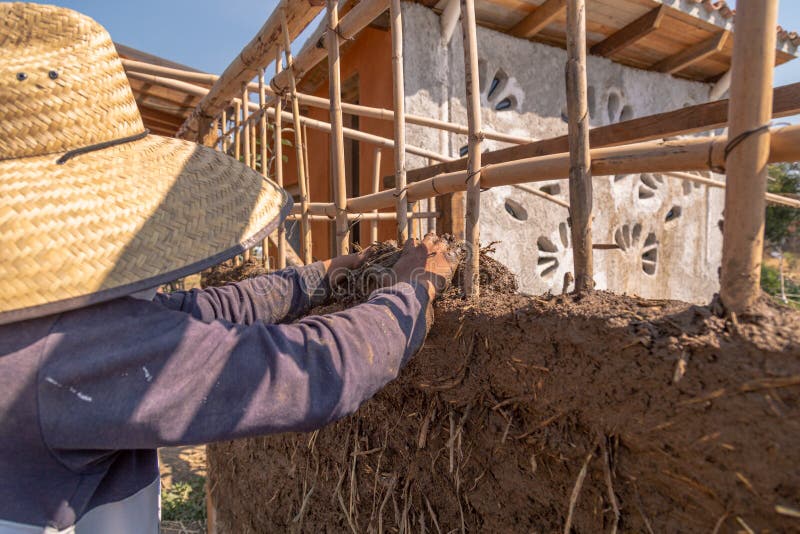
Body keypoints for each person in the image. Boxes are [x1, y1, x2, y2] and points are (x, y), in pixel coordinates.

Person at [0, 3, 455, 533]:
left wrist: (322, 275)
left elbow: (195, 310)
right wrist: (412, 289)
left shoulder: (44, 318)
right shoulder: (64, 352)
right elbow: (309, 370)